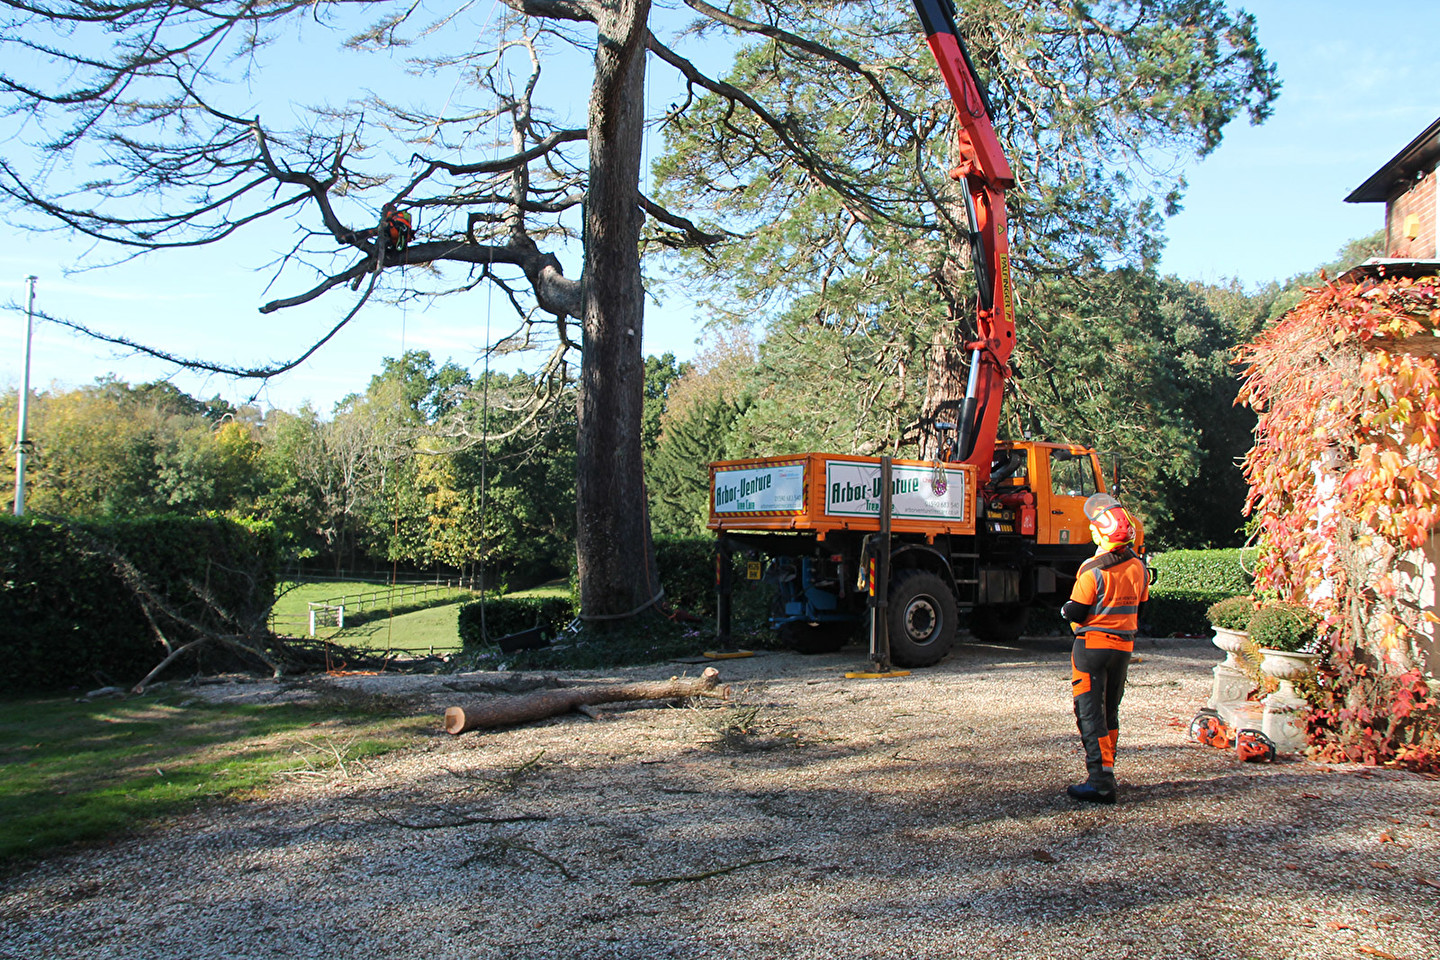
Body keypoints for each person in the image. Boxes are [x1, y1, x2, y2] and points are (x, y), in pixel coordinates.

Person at [1060, 494, 1149, 804]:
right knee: (1110, 711)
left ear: (1100, 534)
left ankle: (1099, 782)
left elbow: (1077, 611)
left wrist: (1064, 610)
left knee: (1089, 714)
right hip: (1123, 648)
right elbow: (1142, 603)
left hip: (1091, 648)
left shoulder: (1091, 569)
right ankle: (1107, 772)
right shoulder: (1139, 566)